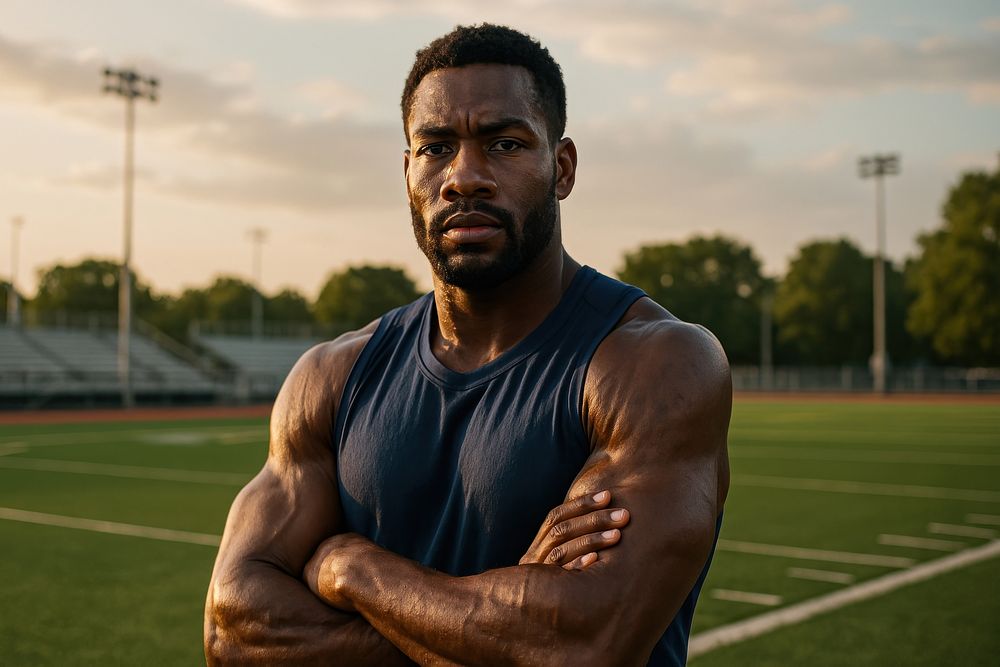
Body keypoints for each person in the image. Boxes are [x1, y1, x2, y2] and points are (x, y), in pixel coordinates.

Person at [205, 23, 731, 666]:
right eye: (435, 148)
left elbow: (580, 646)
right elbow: (234, 631)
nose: (464, 177)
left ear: (561, 168)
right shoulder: (332, 375)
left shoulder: (652, 364)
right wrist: (495, 630)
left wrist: (352, 568)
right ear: (408, 173)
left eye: (504, 144)